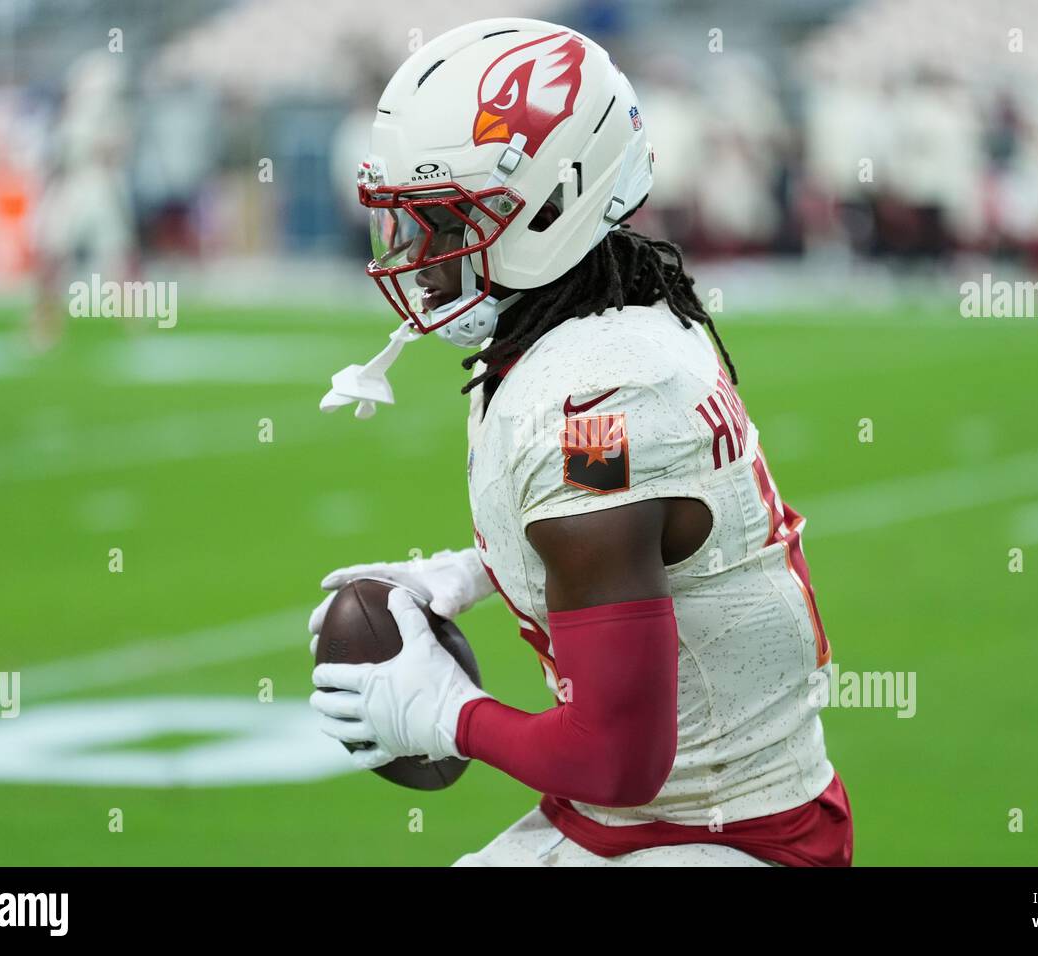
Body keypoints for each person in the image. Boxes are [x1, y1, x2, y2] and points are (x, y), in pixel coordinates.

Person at [308, 17, 852, 867]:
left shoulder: (595, 395)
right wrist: (476, 568)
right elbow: (635, 530)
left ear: (552, 204)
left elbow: (617, 759)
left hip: (725, 836)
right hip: (643, 819)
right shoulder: (599, 319)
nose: (419, 257)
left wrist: (446, 715)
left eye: (445, 221)